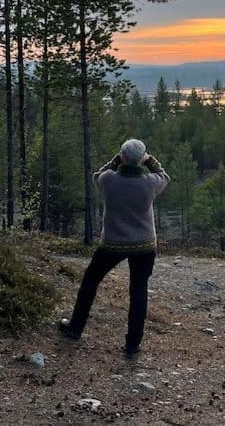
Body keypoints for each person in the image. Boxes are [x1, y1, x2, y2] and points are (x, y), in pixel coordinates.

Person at [58, 138, 170, 358]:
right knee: (138, 292)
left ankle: (75, 328)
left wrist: (116, 160)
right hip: (145, 246)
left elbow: (97, 175)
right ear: (142, 159)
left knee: (90, 281)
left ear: (122, 157)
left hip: (112, 244)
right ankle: (132, 345)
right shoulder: (150, 183)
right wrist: (149, 160)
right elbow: (164, 175)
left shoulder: (109, 180)